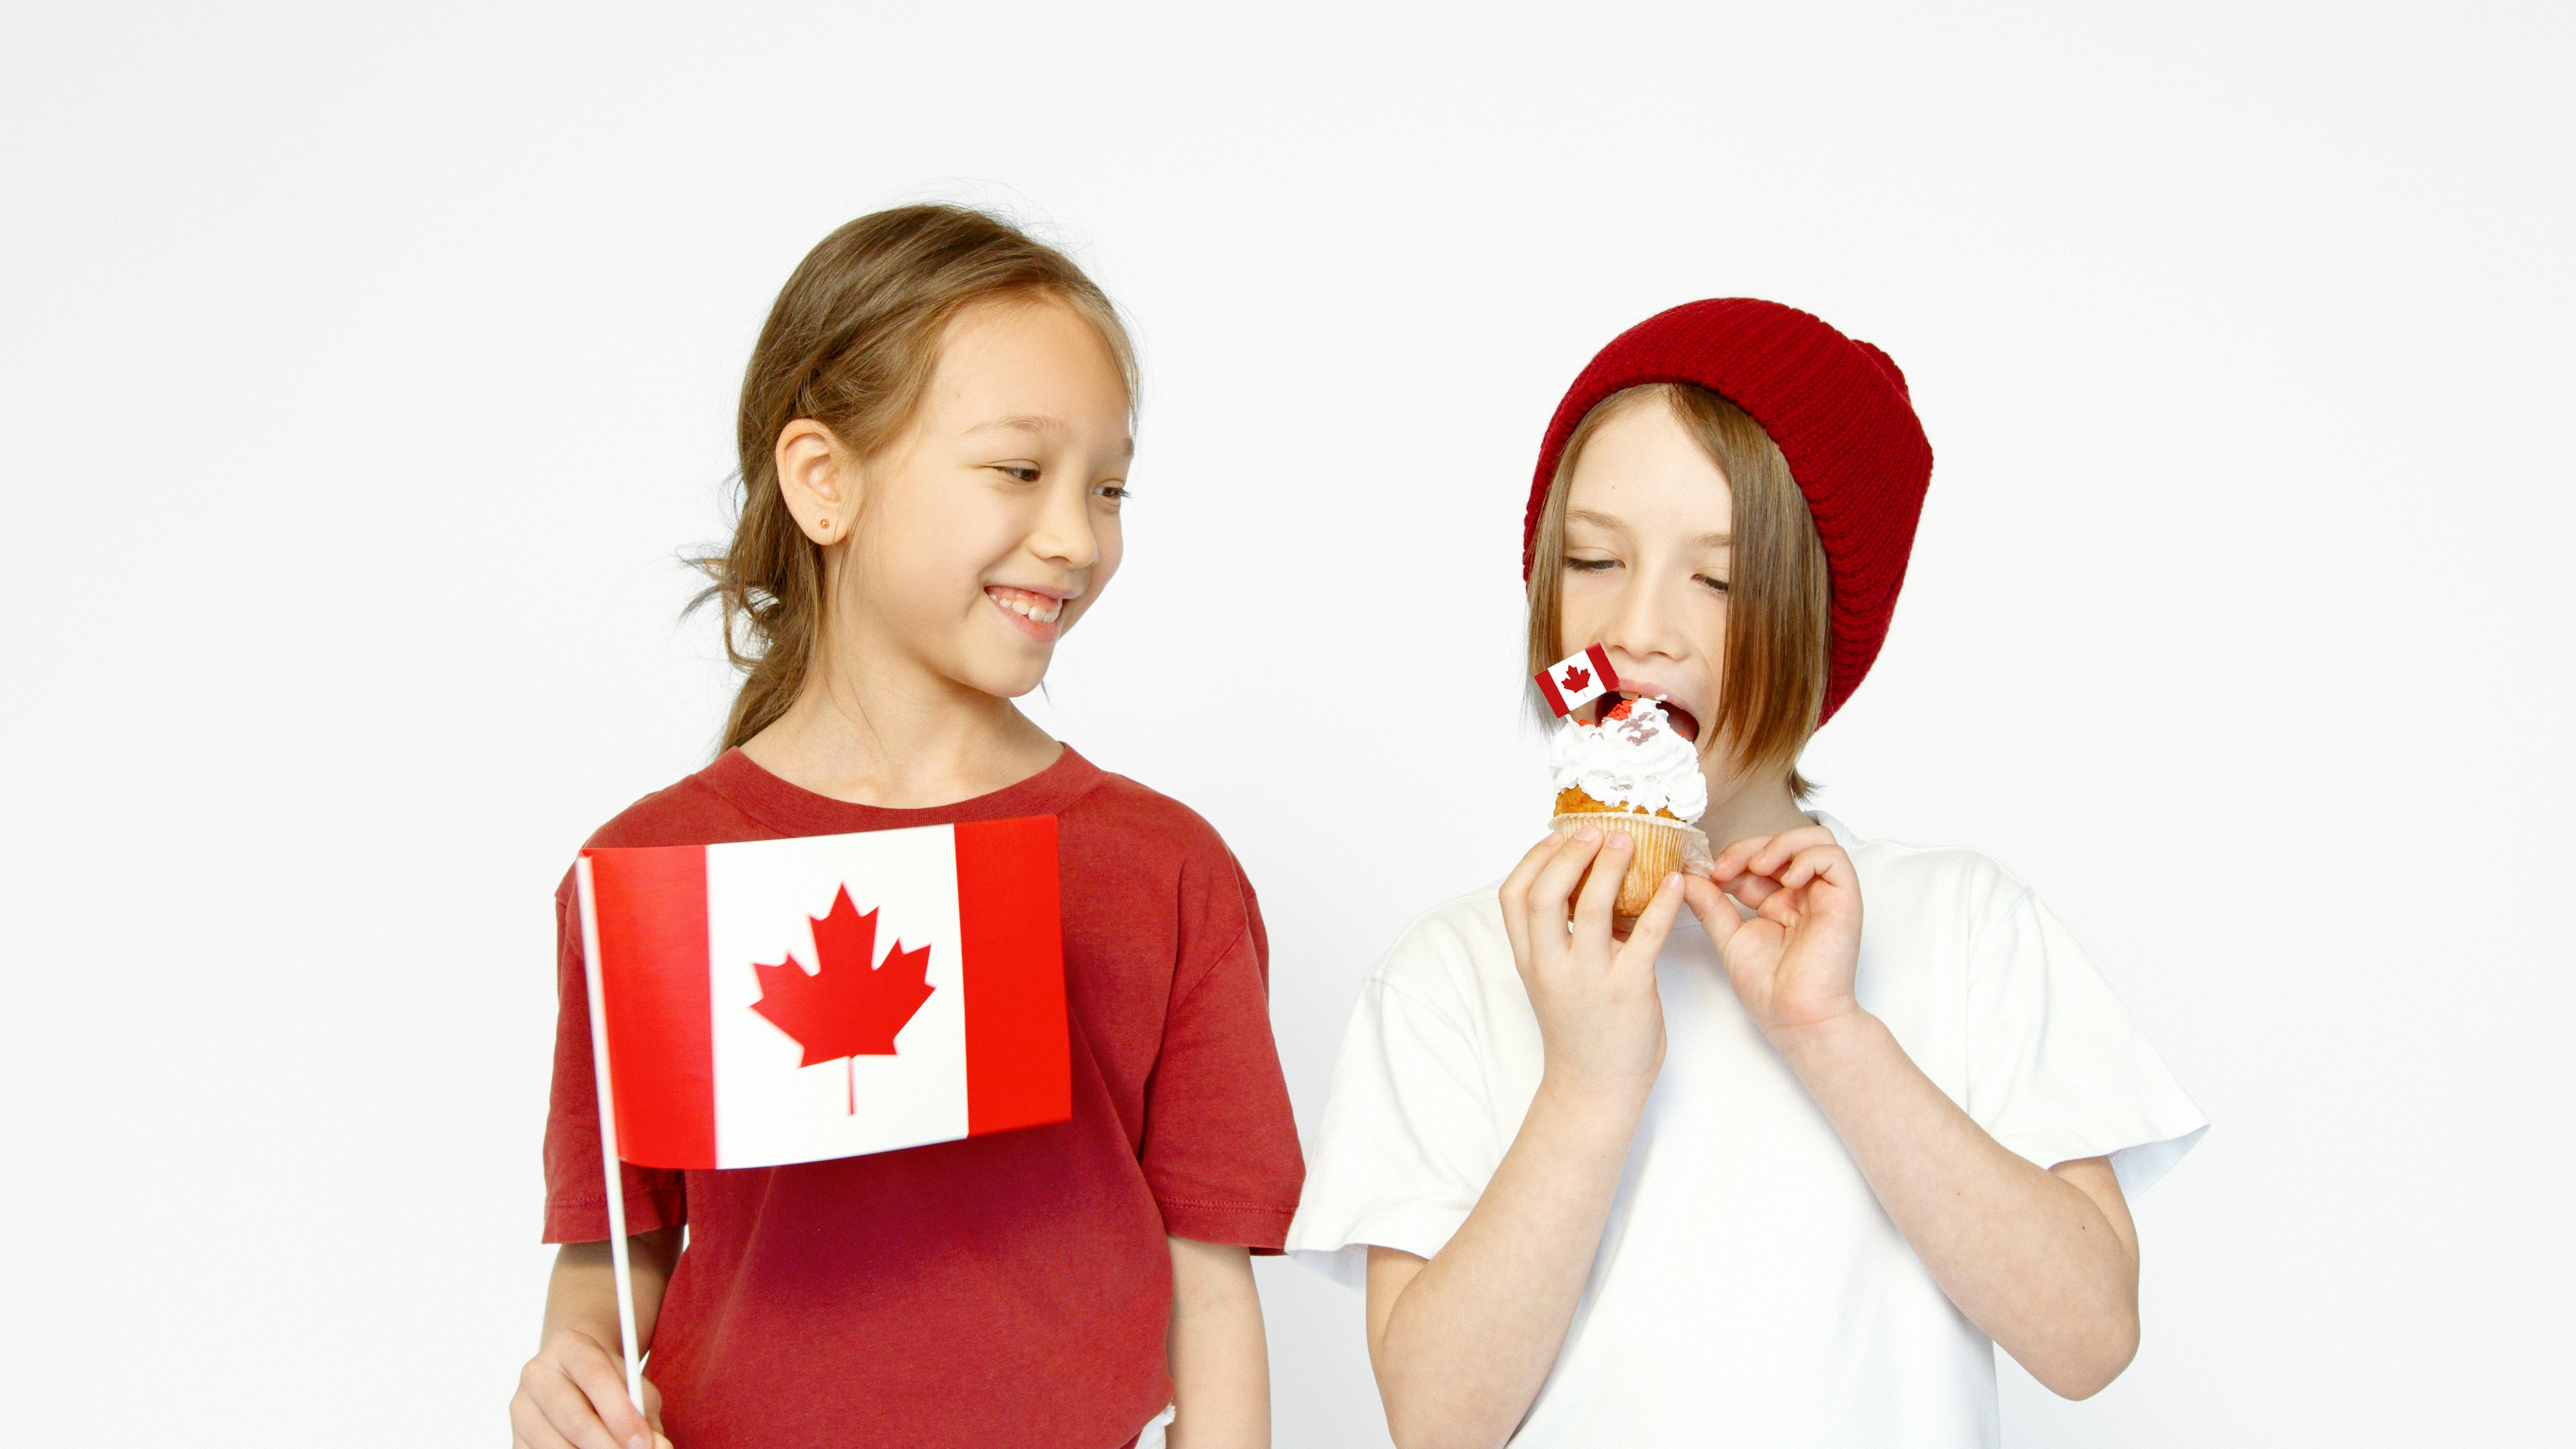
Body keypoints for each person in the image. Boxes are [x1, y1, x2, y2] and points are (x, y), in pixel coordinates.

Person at [1285, 299, 2207, 1447]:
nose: (1641, 626)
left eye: (1716, 581)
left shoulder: (1961, 924)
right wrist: (1586, 1083)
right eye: (1592, 560)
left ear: (1820, 629)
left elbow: (2089, 1341)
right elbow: (1436, 1420)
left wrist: (1831, 1033)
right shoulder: (1454, 972)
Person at [512, 205, 1303, 1449]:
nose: (1077, 537)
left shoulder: (1167, 872)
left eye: (1108, 487)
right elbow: (617, 1251)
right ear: (825, 481)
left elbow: (1213, 1287)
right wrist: (571, 1377)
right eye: (1019, 471)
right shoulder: (646, 879)